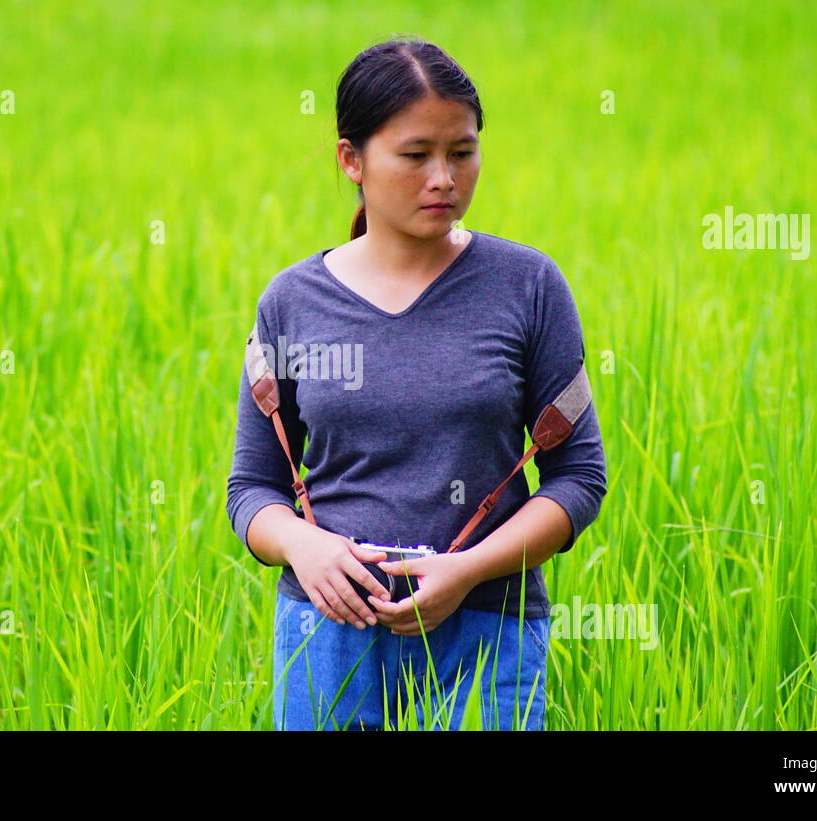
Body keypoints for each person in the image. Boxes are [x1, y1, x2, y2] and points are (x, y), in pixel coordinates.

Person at [226, 36, 607, 730]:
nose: (445, 178)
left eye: (462, 153)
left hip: (488, 629)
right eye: (416, 155)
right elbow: (252, 490)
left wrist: (468, 570)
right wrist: (304, 547)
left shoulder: (527, 286)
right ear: (351, 160)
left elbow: (578, 479)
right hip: (327, 636)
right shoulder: (292, 301)